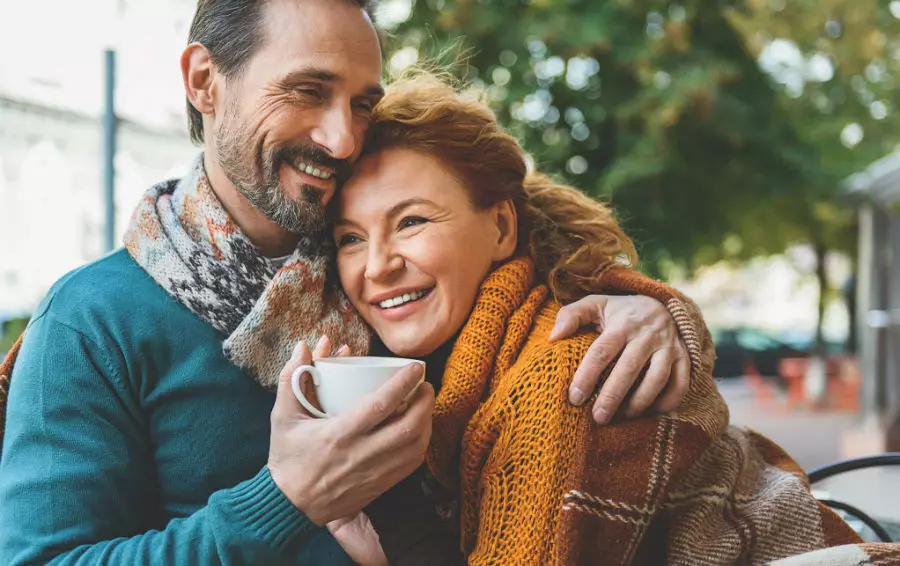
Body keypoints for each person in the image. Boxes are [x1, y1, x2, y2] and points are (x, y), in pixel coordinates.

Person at [0, 1, 695, 564]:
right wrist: (284, 499)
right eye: (307, 91)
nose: (341, 139)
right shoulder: (92, 320)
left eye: (362, 104)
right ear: (204, 82)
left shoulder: (384, 288)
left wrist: (645, 308)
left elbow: (520, 233)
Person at [303, 71, 867, 565]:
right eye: (351, 238)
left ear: (501, 228)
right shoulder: (459, 368)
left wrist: (392, 523)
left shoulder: (561, 376)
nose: (377, 266)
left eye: (411, 223)